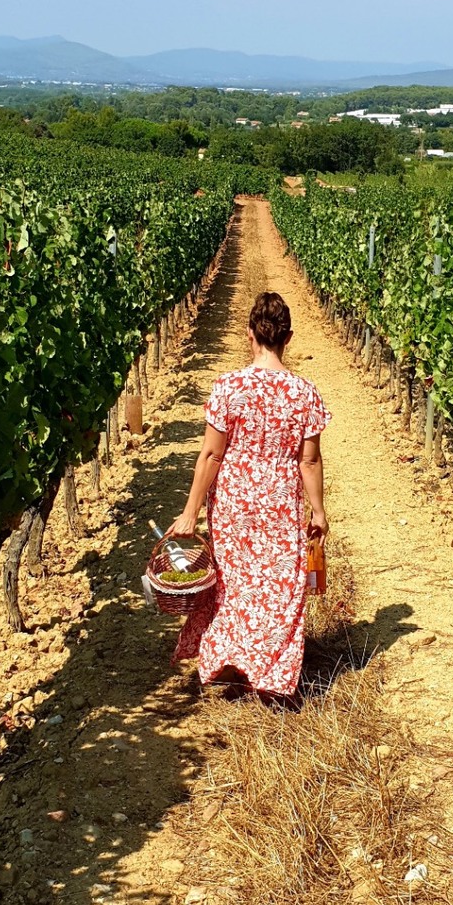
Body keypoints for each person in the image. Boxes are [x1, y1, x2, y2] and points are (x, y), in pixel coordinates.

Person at [166, 291, 331, 697]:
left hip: (233, 503)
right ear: (287, 338)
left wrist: (190, 513)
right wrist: (318, 512)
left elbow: (210, 455)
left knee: (233, 582)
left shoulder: (228, 387)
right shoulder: (304, 392)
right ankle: (271, 674)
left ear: (249, 335)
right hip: (278, 502)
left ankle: (232, 661)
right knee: (278, 584)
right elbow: (309, 462)